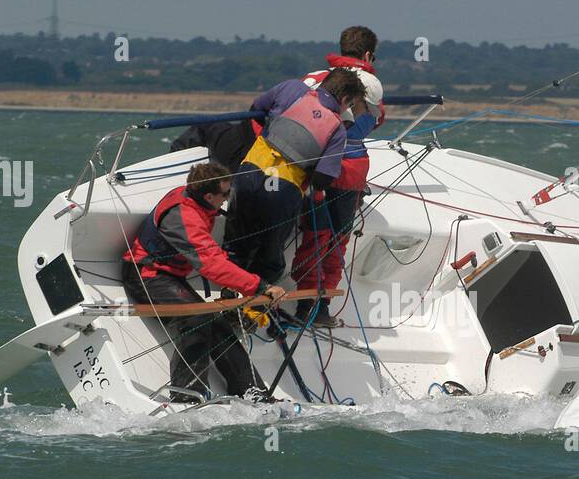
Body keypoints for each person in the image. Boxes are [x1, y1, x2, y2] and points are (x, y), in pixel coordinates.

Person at [122, 161, 286, 401]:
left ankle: (252, 392)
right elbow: (210, 264)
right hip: (145, 275)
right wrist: (261, 287)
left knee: (217, 323)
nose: (228, 198)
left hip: (168, 275)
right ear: (208, 196)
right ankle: (187, 395)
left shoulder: (199, 202)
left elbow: (213, 256)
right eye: (225, 194)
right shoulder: (184, 216)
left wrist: (239, 281)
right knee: (195, 320)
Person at [223, 67, 366, 287]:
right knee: (269, 260)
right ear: (345, 99)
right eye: (350, 104)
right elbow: (322, 181)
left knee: (236, 245)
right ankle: (251, 311)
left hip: (248, 175)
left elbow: (257, 108)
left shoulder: (291, 87)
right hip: (282, 191)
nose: (348, 109)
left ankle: (226, 293)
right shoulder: (337, 129)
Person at [291, 26, 385, 326]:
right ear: (369, 54)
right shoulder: (372, 84)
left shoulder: (312, 77)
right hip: (347, 171)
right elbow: (377, 120)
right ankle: (317, 308)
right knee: (335, 240)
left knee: (314, 235)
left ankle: (298, 300)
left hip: (310, 166)